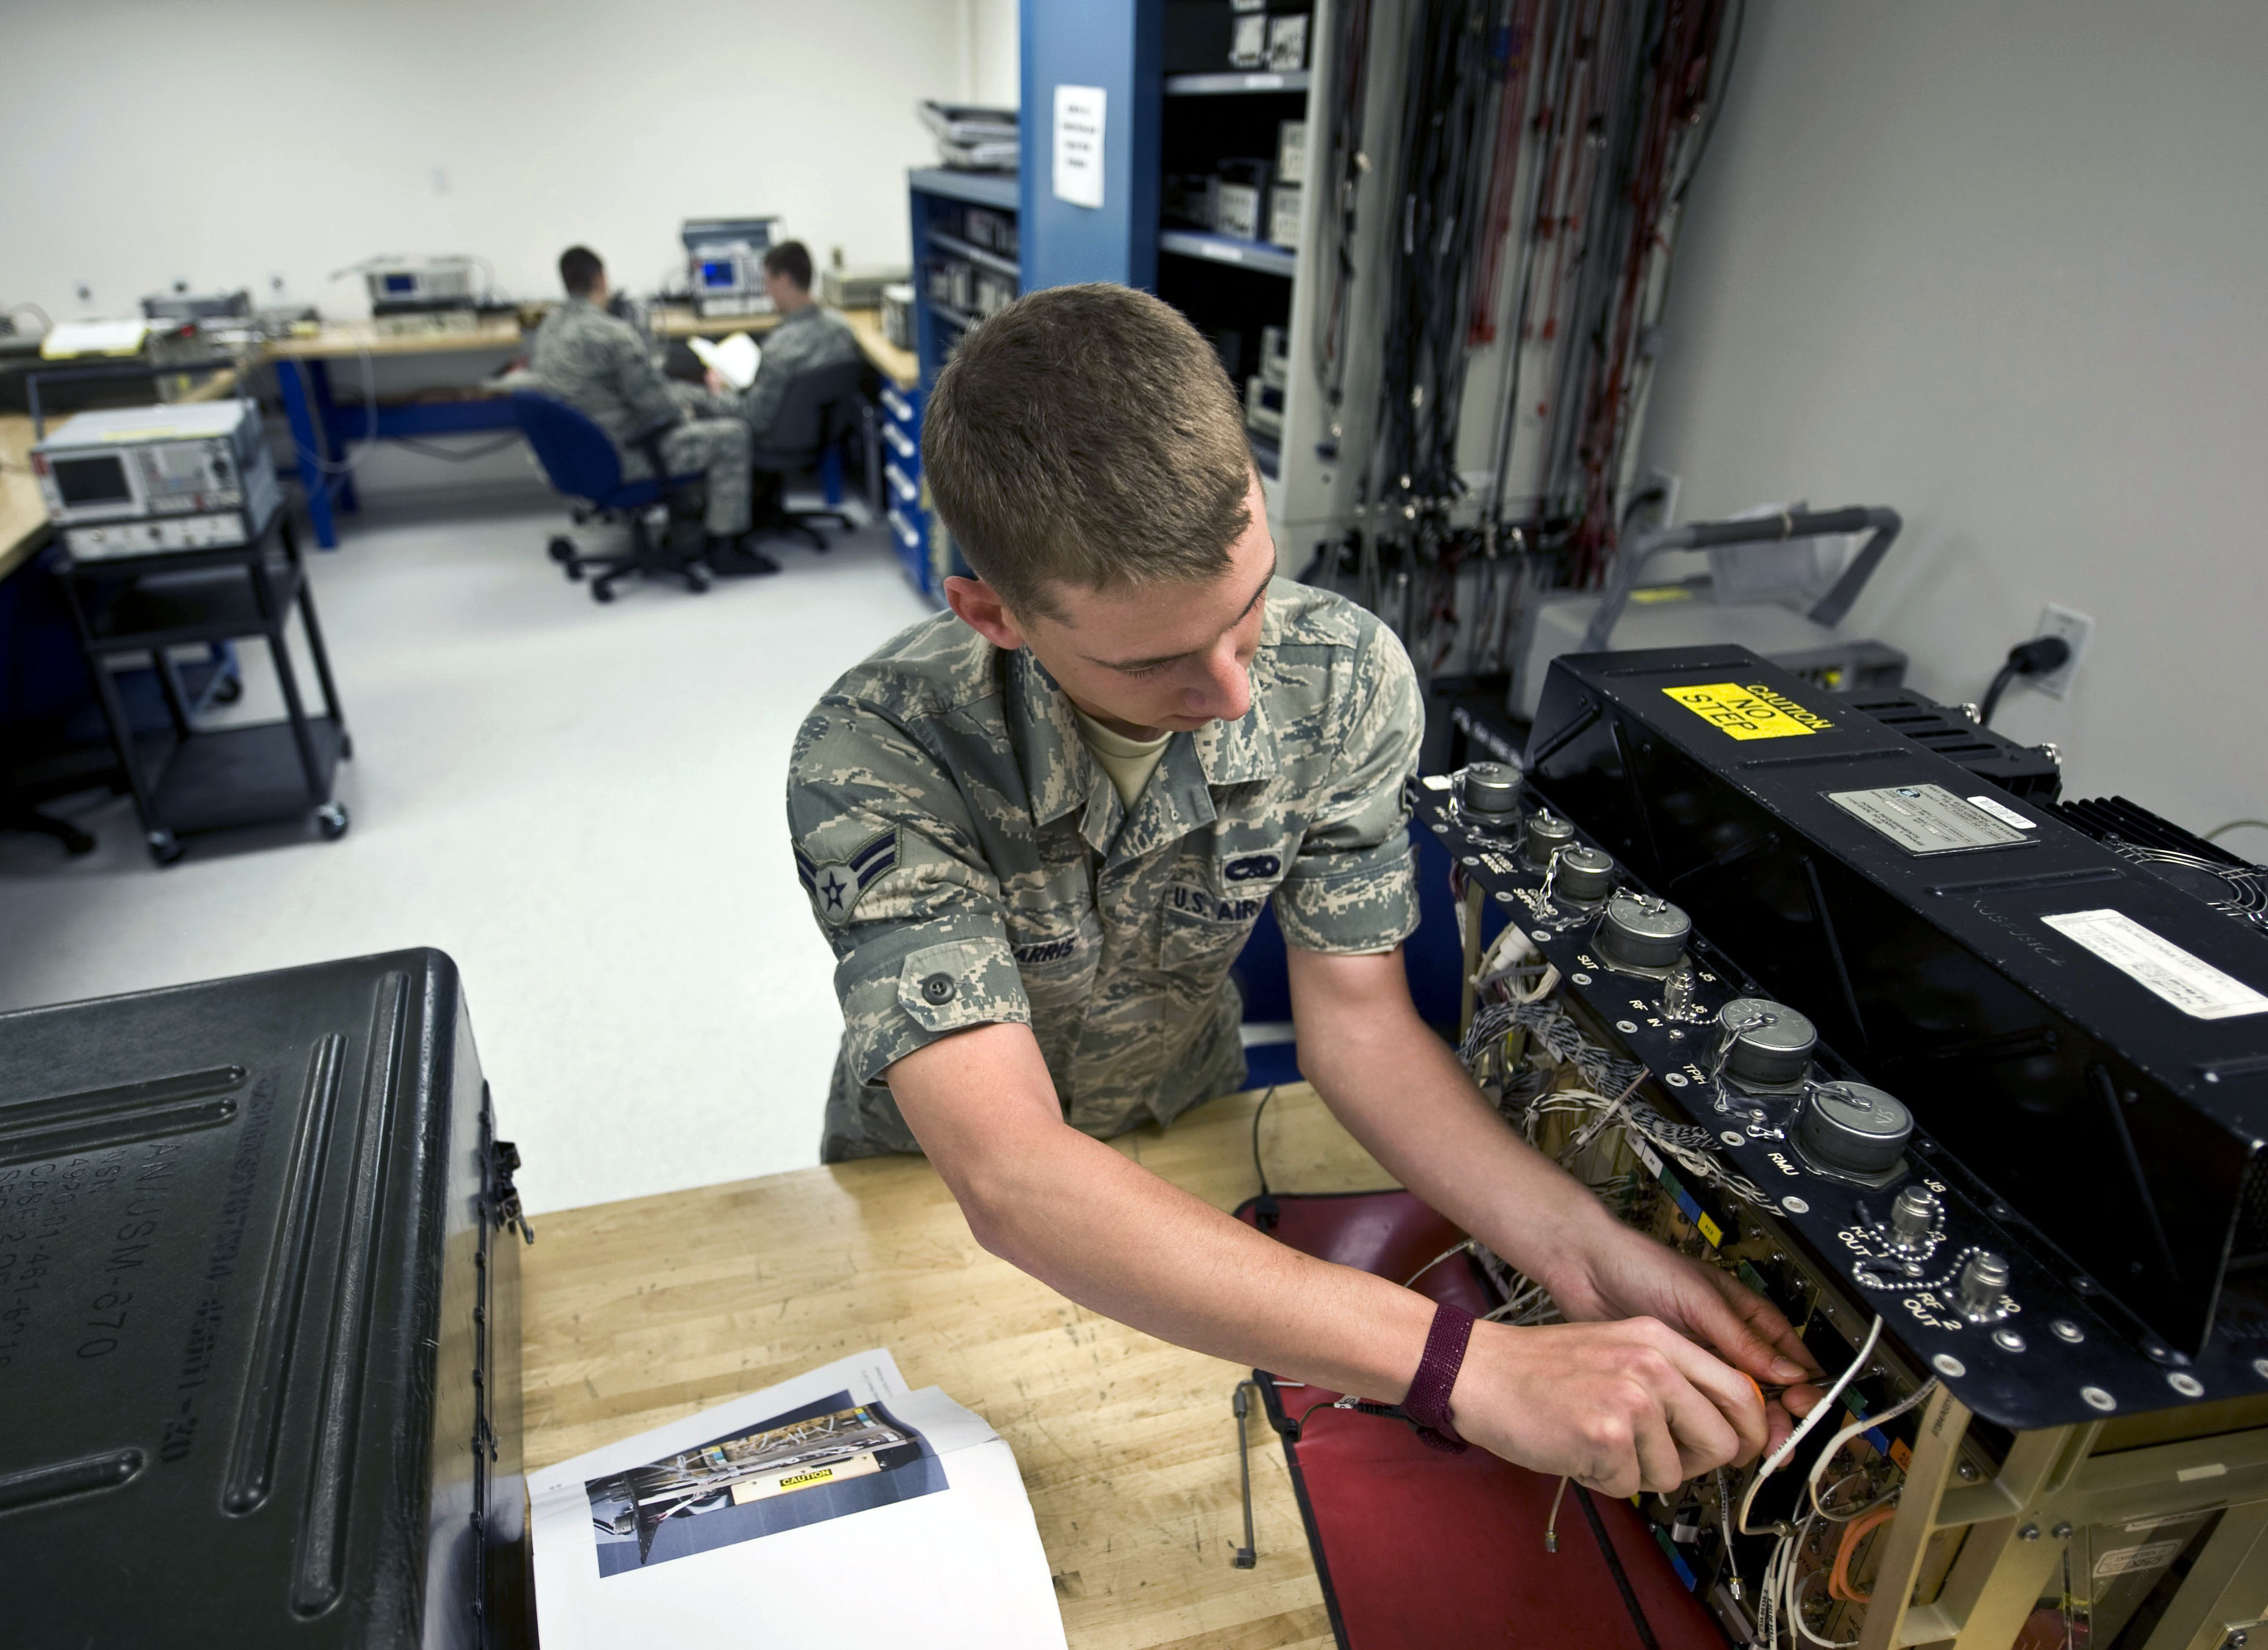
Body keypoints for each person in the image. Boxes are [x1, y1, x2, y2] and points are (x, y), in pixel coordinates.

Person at [784, 283, 1824, 1500]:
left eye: (1248, 609)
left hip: (1187, 1123)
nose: (1232, 693)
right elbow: (1011, 1176)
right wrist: (1468, 1373)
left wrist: (1577, 1246)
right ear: (991, 615)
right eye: (1159, 660)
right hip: (934, 1187)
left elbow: (1361, 1027)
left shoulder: (1340, 677)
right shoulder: (877, 752)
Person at [530, 245, 775, 578]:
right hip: (623, 456)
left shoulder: (549, 328)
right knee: (732, 435)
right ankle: (724, 551)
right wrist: (704, 397)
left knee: (689, 422)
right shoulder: (614, 335)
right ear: (602, 279)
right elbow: (657, 405)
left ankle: (687, 530)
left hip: (574, 455)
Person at [697, 240, 862, 443]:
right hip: (829, 434)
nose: (766, 292)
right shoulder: (843, 328)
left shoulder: (778, 349)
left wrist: (716, 394)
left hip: (781, 439)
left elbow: (755, 418)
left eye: (767, 282)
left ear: (784, 280)